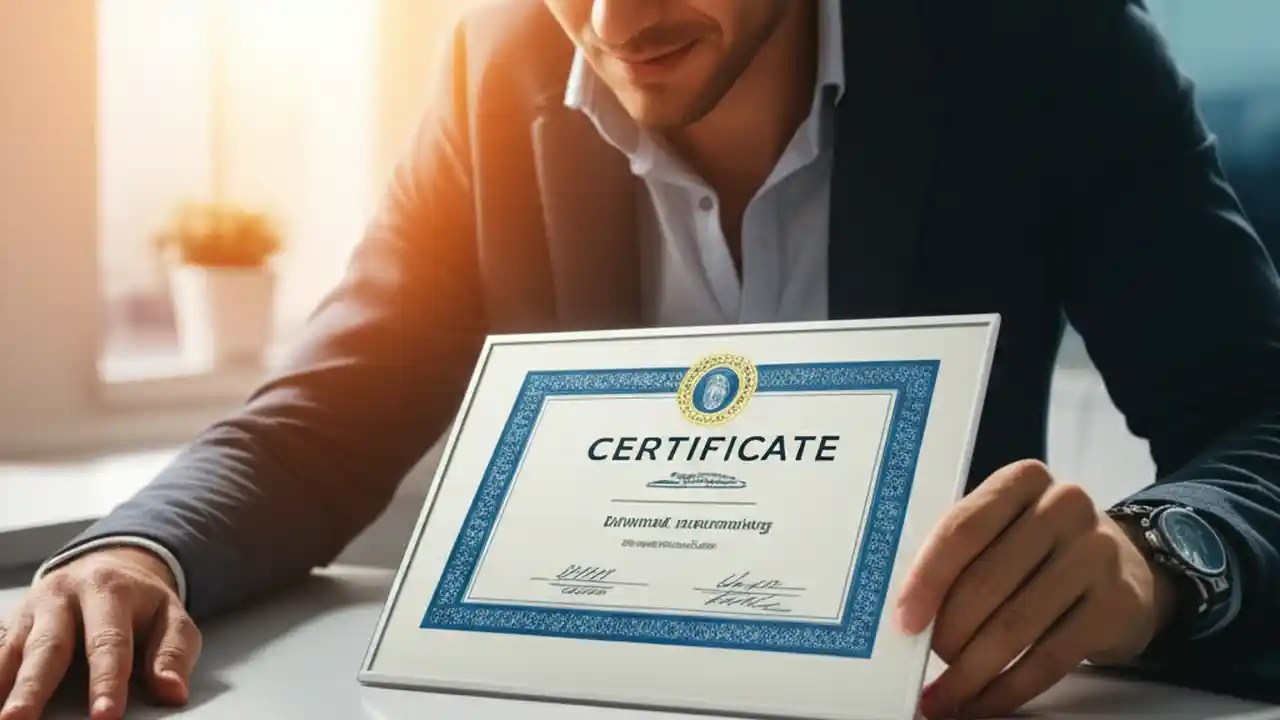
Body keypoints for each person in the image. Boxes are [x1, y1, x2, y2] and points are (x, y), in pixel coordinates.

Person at [3, 1, 1279, 718]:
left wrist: (1149, 563)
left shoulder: (1044, 40)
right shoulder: (496, 58)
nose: (612, 23)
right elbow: (328, 417)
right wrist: (140, 546)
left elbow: (1256, 418)